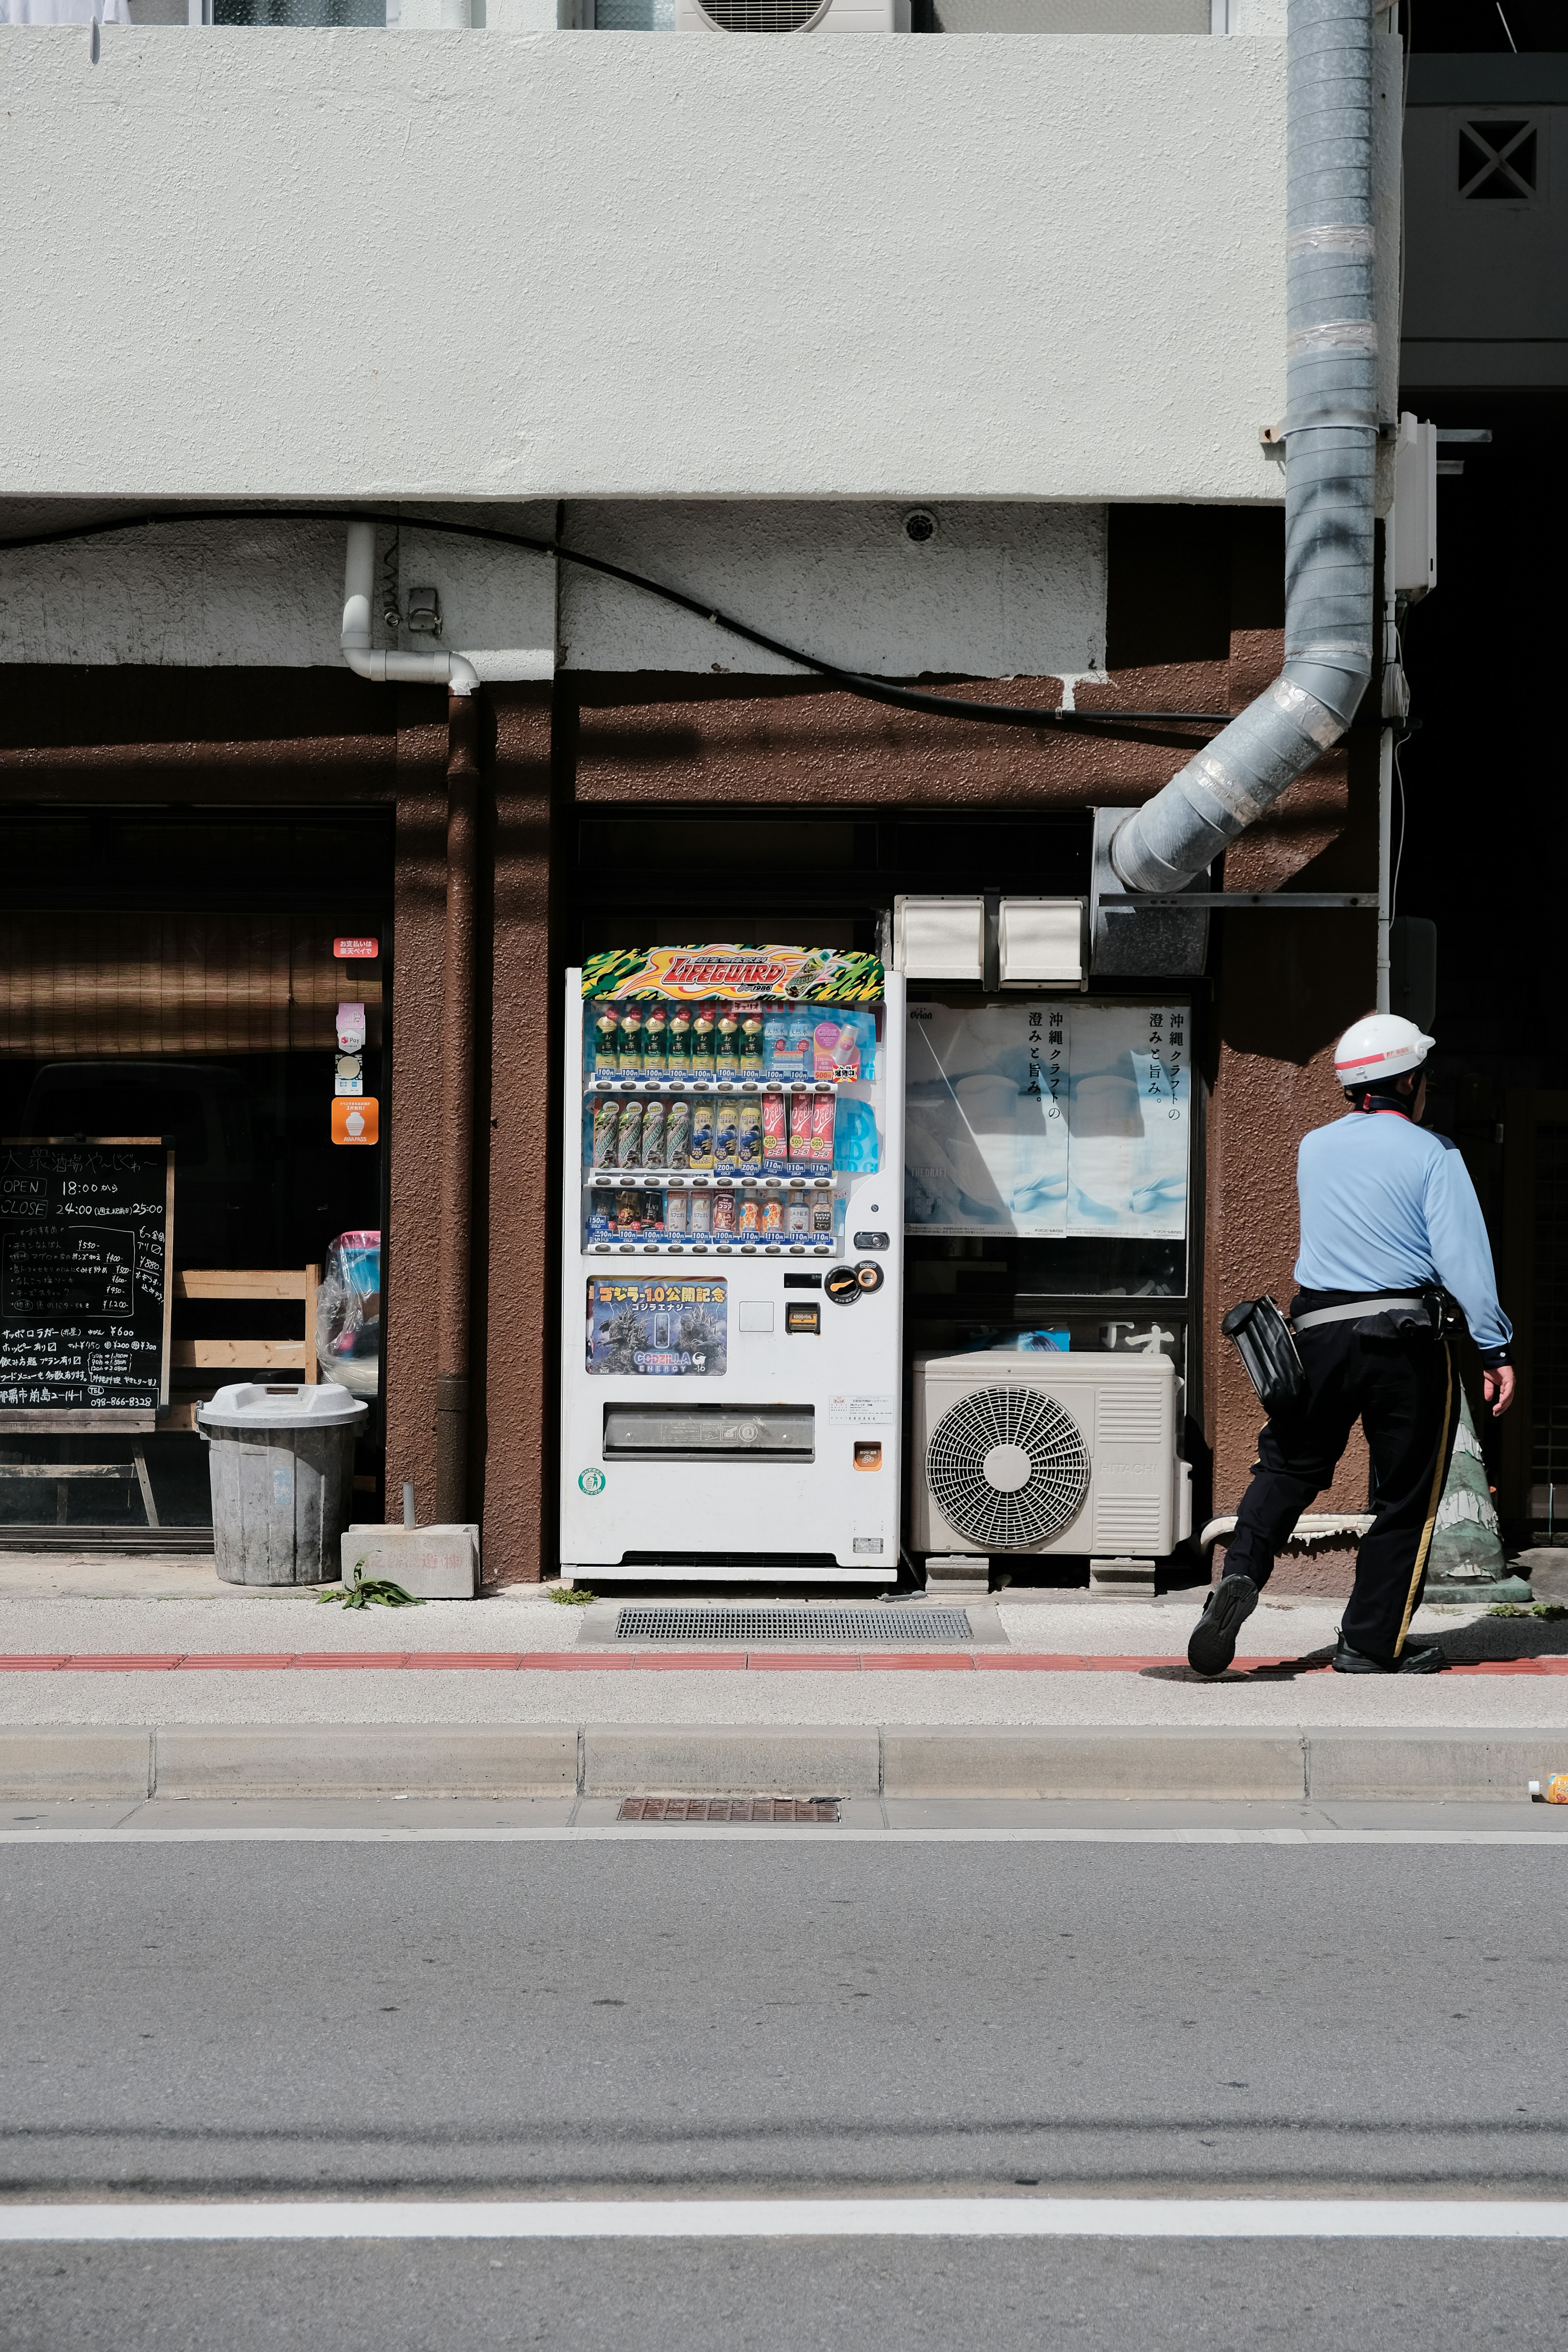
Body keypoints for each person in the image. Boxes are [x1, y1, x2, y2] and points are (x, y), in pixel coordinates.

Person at [1190, 1013, 1514, 1679]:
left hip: (1317, 1333)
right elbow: (1465, 1262)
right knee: (1406, 1495)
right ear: (1408, 1080)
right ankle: (1369, 1643)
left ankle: (1242, 1572)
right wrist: (1495, 1348)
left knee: (1289, 1467)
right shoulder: (1434, 1153)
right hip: (1405, 1337)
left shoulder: (1315, 1146)